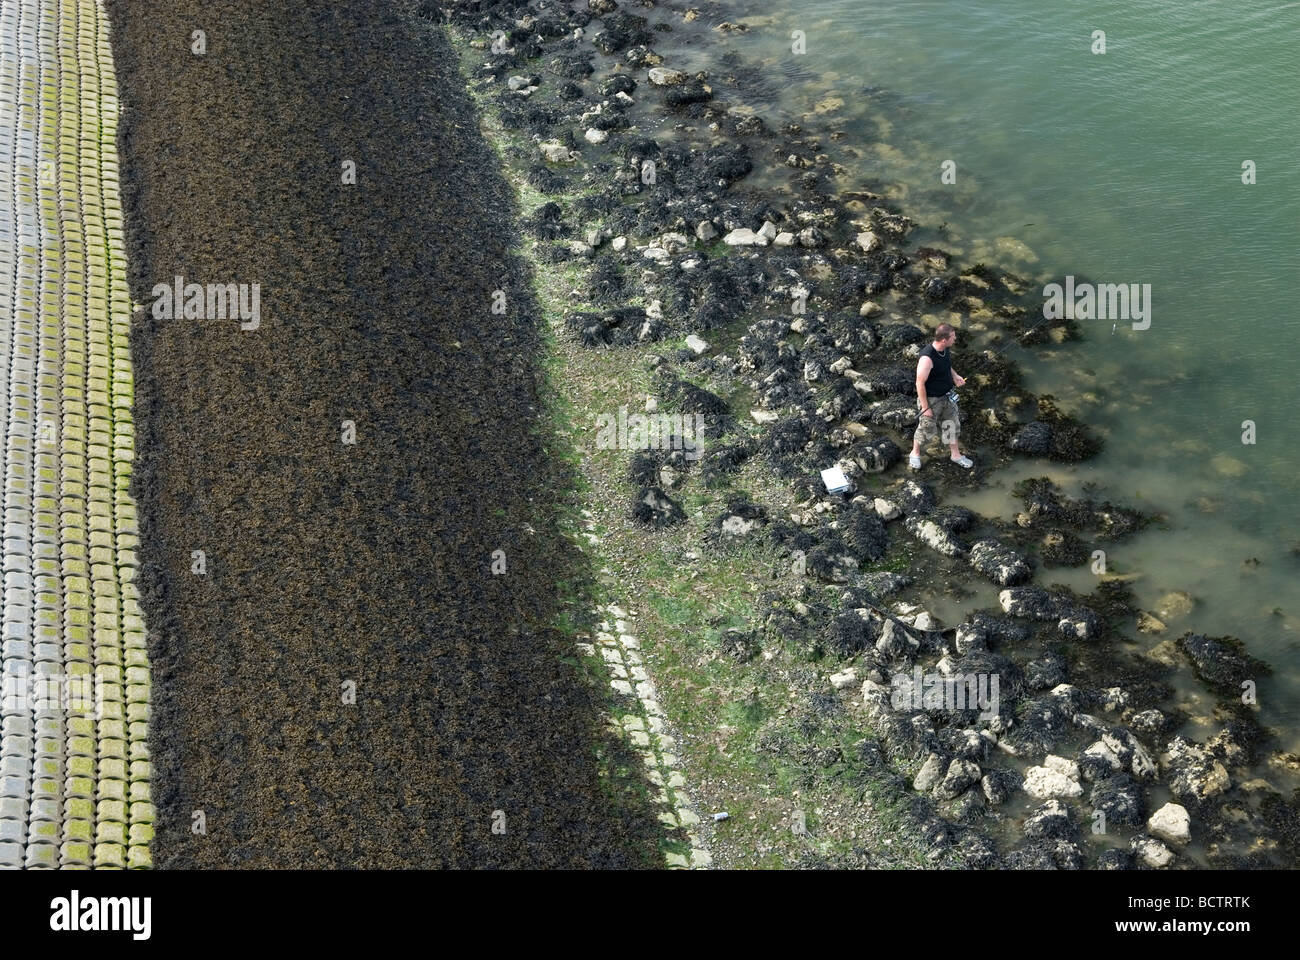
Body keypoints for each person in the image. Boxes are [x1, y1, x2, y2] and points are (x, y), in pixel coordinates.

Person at [909, 323, 973, 470]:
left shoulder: (944, 349)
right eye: (953, 337)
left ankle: (955, 455)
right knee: (926, 429)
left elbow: (946, 365)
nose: (955, 339)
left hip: (947, 397)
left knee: (951, 424)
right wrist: (925, 408)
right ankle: (915, 453)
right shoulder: (927, 358)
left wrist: (955, 376)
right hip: (932, 400)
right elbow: (919, 383)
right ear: (944, 339)